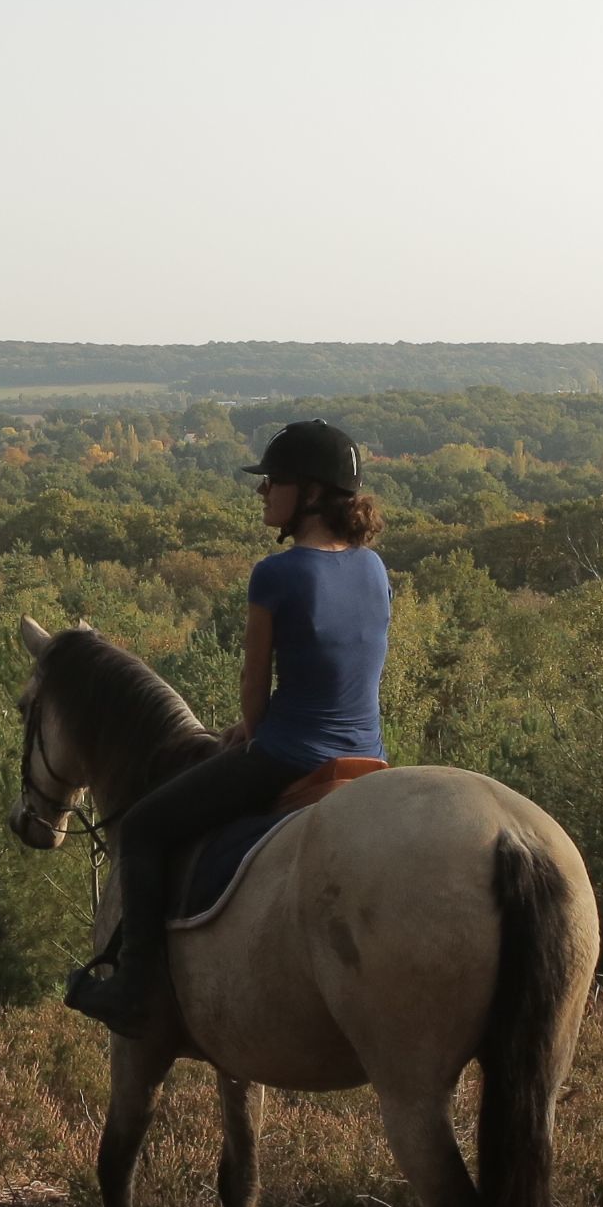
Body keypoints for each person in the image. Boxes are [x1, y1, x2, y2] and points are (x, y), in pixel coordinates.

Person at [64, 419, 387, 1035]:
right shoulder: (372, 568)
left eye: (274, 481)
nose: (262, 491)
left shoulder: (278, 573)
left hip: (290, 755)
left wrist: (250, 729)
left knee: (146, 826)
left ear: (312, 493)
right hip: (368, 756)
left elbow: (253, 682)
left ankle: (133, 989)